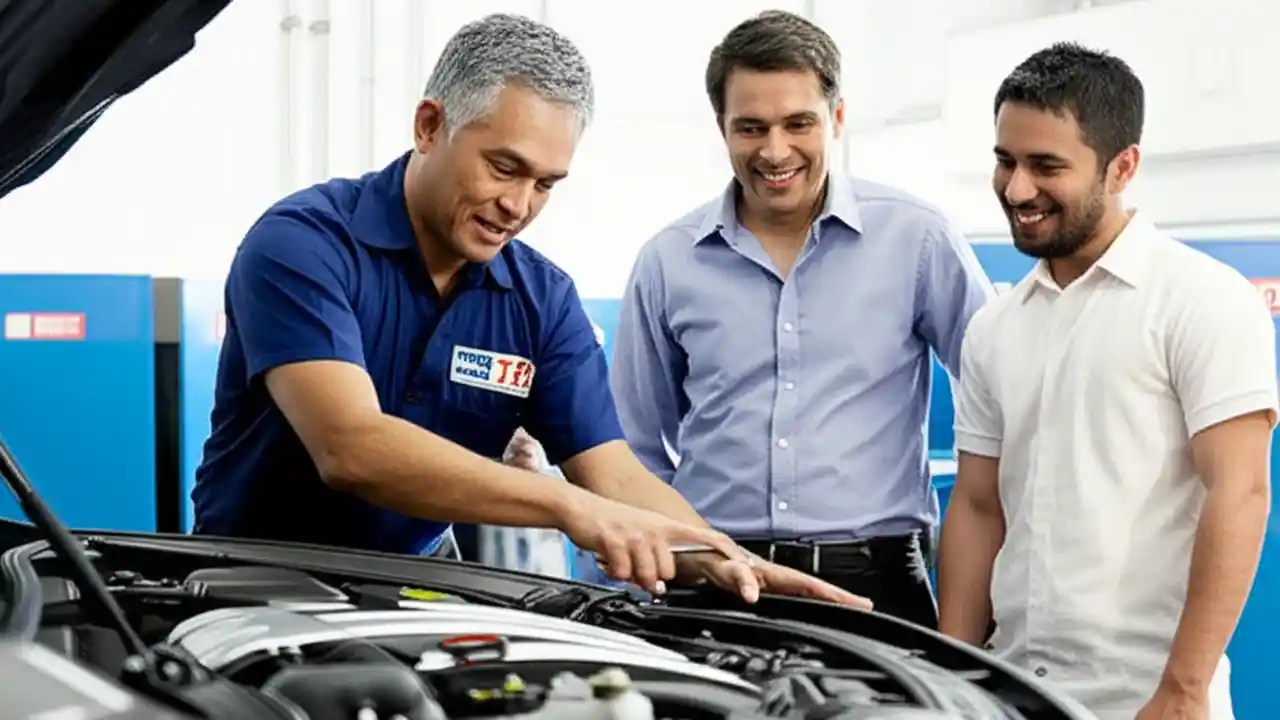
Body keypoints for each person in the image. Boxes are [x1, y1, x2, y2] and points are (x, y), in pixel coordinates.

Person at [190, 12, 871, 610]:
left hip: (417, 590)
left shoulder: (540, 299)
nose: (519, 206)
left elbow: (613, 473)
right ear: (430, 126)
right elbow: (351, 448)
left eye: (546, 183)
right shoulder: (302, 245)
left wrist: (725, 559)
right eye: (504, 168)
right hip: (253, 586)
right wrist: (569, 508)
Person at [608, 9, 994, 629]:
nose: (774, 150)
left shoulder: (918, 240)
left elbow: (999, 395)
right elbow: (633, 450)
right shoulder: (667, 261)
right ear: (722, 128)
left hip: (877, 586)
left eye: (799, 123)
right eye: (751, 127)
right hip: (713, 582)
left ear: (837, 118)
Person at [936, 42, 1276, 720]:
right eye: (1005, 160)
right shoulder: (995, 326)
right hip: (1006, 692)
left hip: (1147, 699)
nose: (1017, 188)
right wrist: (949, 675)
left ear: (1123, 166)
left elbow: (1239, 492)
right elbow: (977, 506)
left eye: (1046, 166)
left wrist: (1182, 690)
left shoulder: (1202, 299)